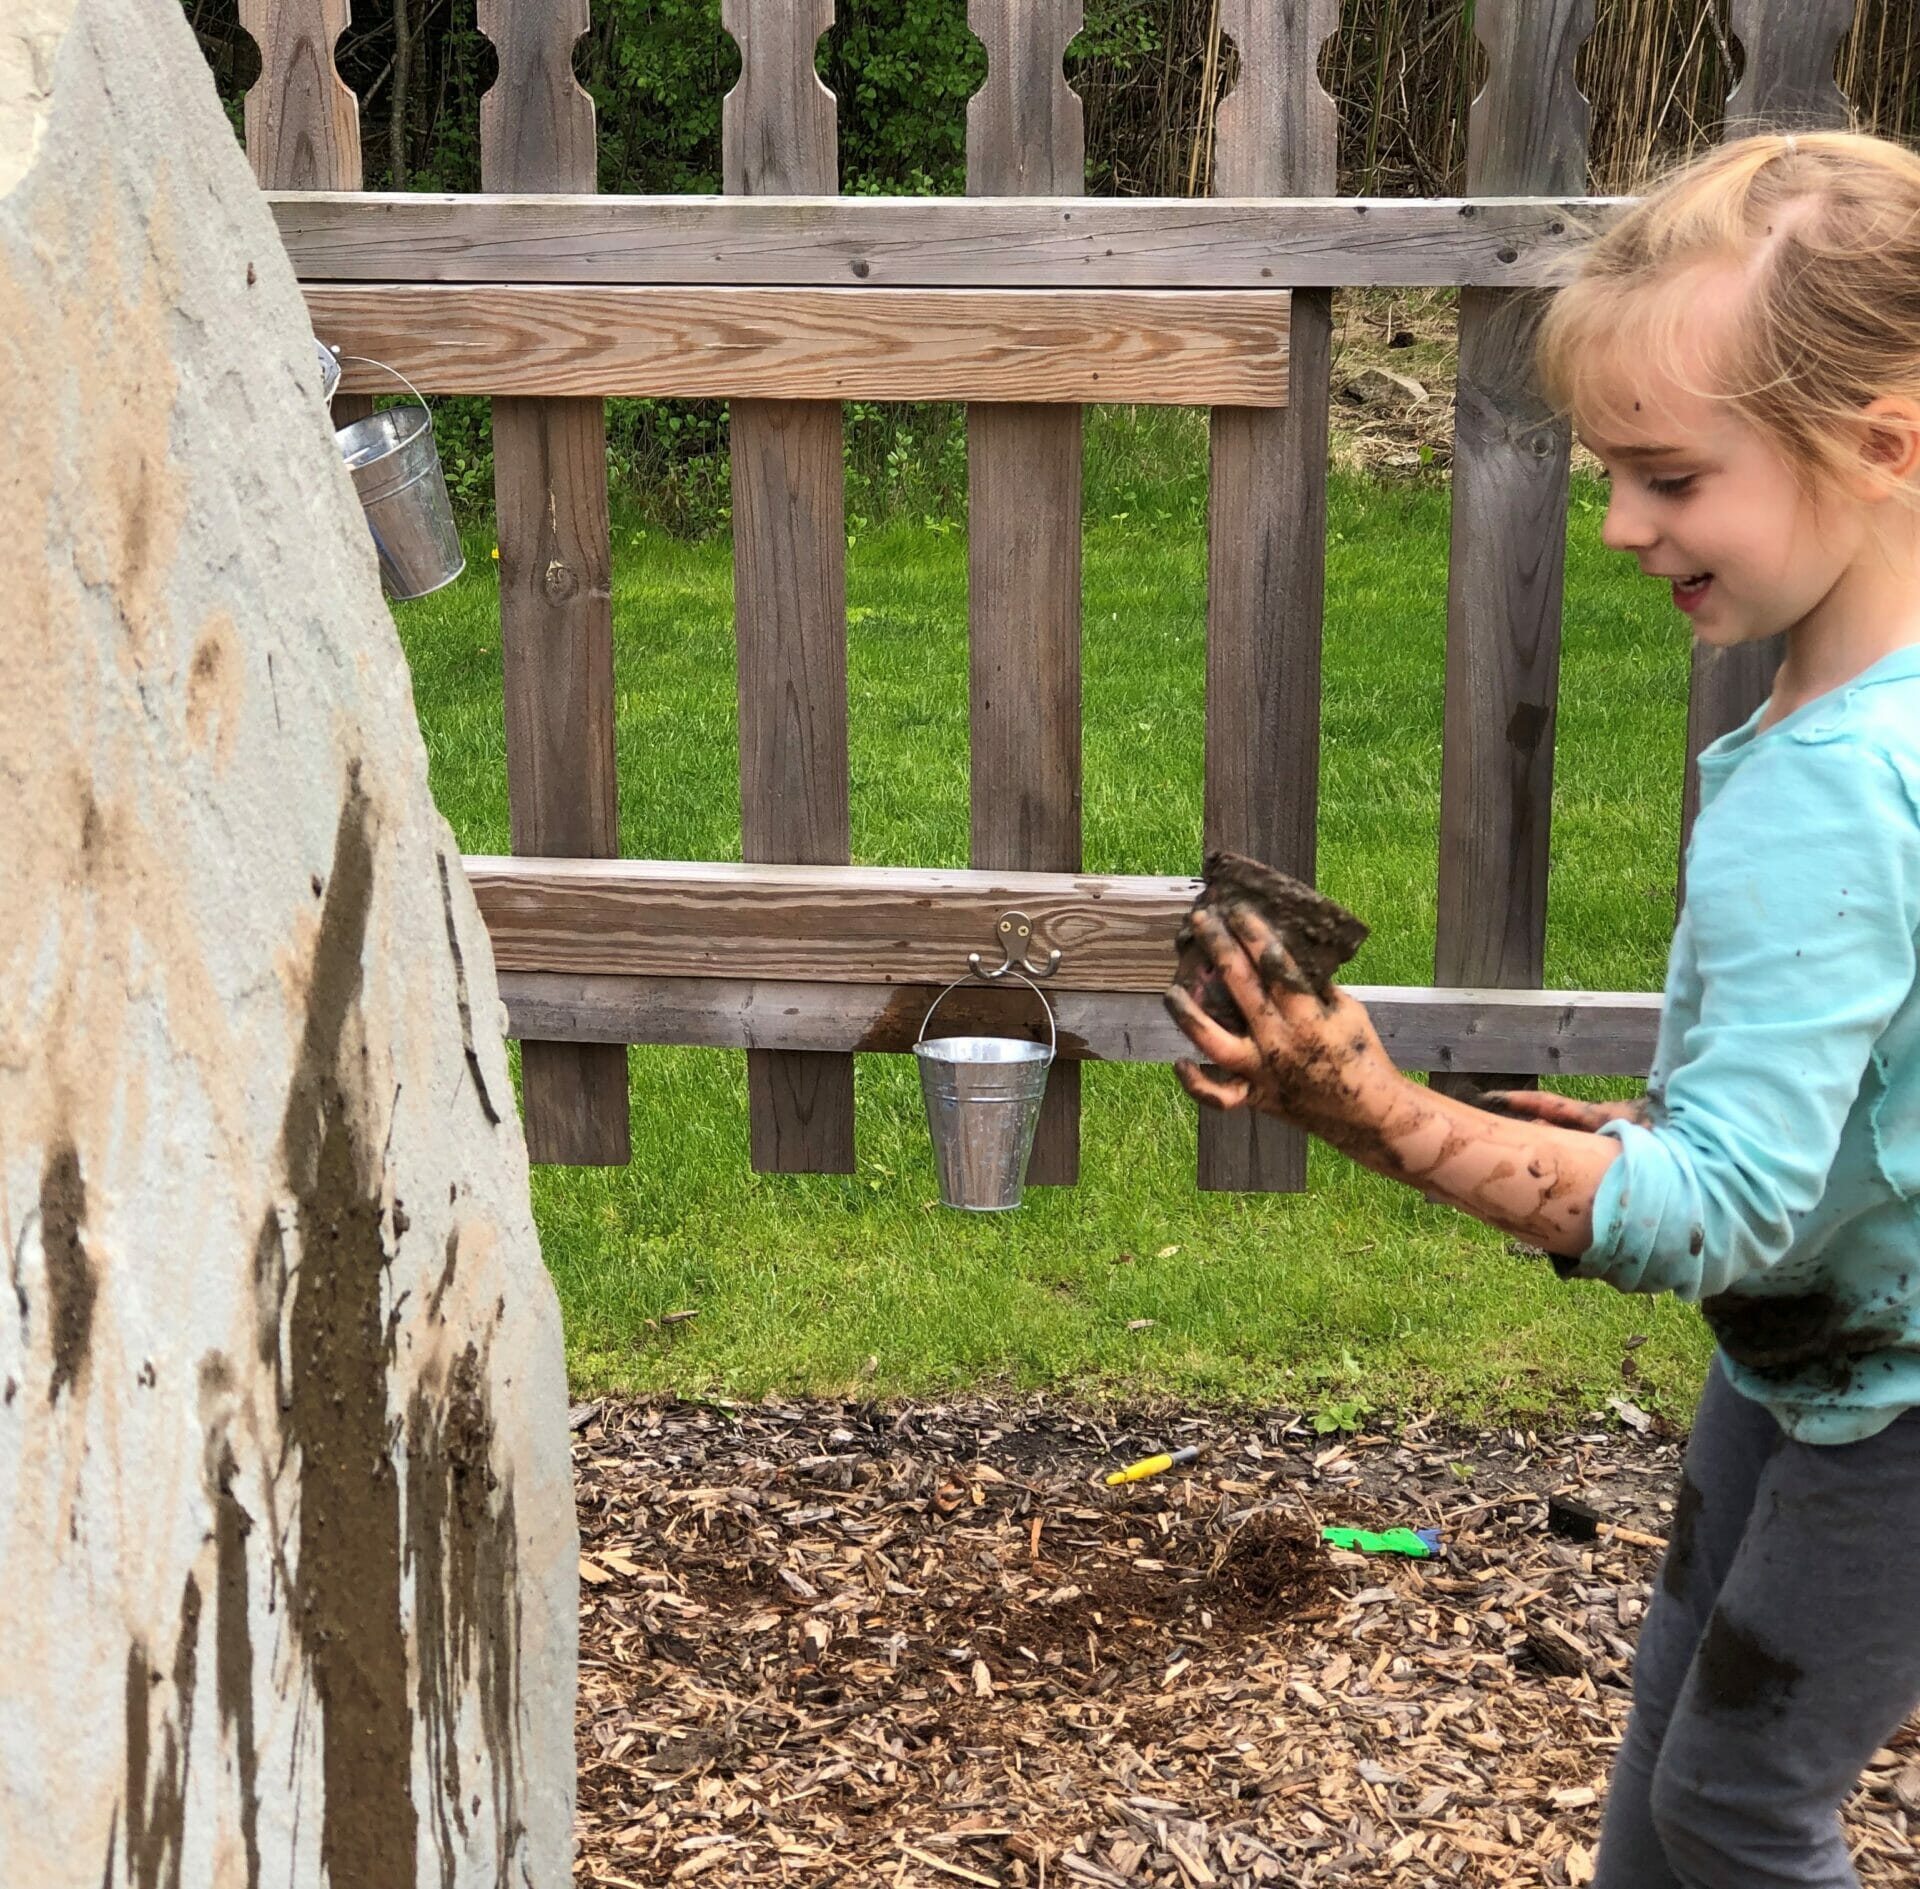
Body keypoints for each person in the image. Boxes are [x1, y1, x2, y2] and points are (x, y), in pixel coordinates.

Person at [1165, 131, 1920, 1889]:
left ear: (1882, 439)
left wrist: (1383, 1114)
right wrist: (1649, 1127)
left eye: (1668, 475)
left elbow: (1722, 1213)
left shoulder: (1828, 792)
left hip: (1891, 1405)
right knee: (1676, 1762)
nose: (1623, 524)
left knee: (1735, 1809)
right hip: (1819, 1347)